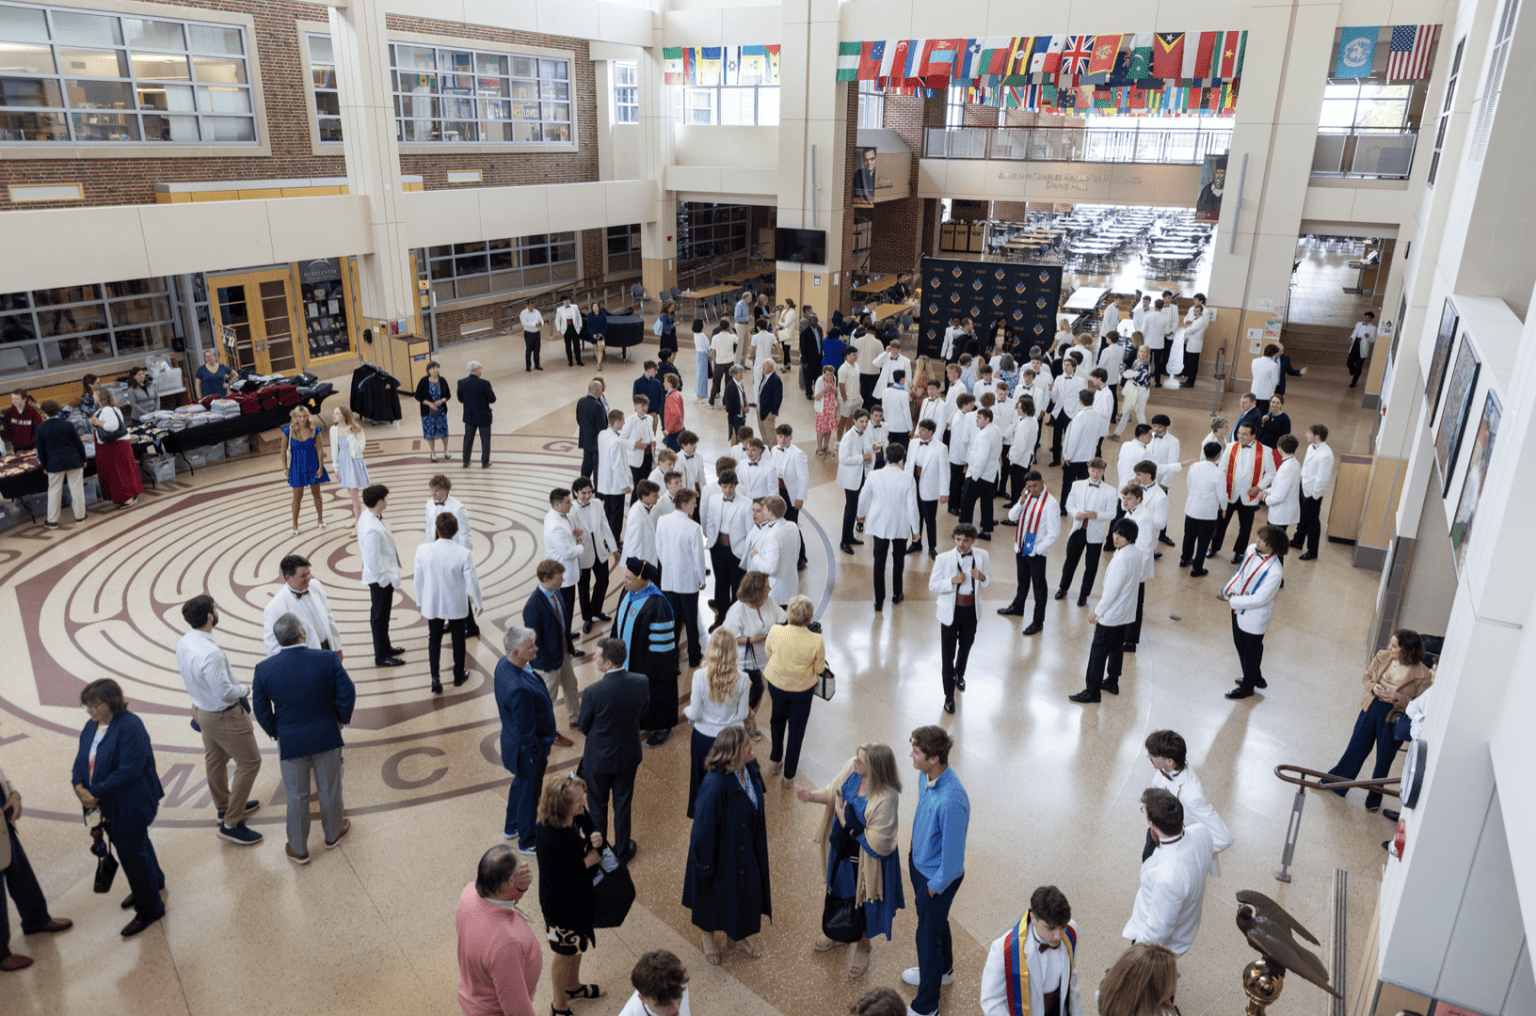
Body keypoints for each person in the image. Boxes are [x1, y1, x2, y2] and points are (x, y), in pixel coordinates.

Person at [796, 743, 906, 979]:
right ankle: (839, 929)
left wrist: (845, 822)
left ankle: (863, 944)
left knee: (866, 900)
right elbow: (833, 791)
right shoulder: (852, 770)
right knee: (839, 888)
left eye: (861, 761)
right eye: (856, 758)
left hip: (869, 860)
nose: (854, 763)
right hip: (843, 849)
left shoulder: (887, 796)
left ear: (876, 769)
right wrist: (810, 797)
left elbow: (879, 843)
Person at [253, 614, 356, 864]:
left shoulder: (264, 669)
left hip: (291, 742)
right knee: (330, 788)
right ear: (302, 633)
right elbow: (347, 692)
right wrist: (340, 719)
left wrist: (277, 731)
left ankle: (299, 849)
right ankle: (333, 834)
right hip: (326, 735)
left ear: (278, 640)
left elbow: (260, 709)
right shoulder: (327, 659)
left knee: (296, 795)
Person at [70, 679, 165, 936]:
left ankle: (150, 908)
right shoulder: (91, 727)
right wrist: (78, 785)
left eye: (94, 706)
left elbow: (129, 771)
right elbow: (81, 761)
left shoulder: (131, 726)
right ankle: (153, 881)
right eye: (86, 706)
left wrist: (95, 792)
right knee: (137, 845)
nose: (89, 711)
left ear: (111, 702)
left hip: (129, 802)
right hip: (106, 802)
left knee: (131, 854)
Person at [175, 594, 262, 845]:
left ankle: (224, 806)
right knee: (250, 763)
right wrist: (244, 690)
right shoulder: (211, 654)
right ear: (210, 616)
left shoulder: (184, 642)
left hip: (201, 710)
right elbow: (224, 692)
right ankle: (231, 823)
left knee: (216, 759)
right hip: (223, 715)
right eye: (215, 607)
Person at [683, 725, 770, 964]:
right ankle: (708, 934)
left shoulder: (749, 767)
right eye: (746, 744)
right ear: (733, 752)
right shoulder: (714, 785)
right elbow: (702, 830)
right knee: (713, 894)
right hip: (719, 852)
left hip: (743, 845)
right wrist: (705, 866)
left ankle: (737, 933)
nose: (753, 745)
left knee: (740, 891)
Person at [1324, 630, 1436, 811]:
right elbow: (1366, 678)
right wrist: (1373, 688)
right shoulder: (1383, 656)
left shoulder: (1423, 674)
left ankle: (1374, 798)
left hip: (1394, 715)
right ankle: (1337, 783)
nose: (1389, 648)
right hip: (1372, 705)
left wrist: (1398, 696)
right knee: (1356, 748)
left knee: (1384, 760)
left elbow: (1419, 704)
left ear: (1407, 651)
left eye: (1394, 646)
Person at [904, 725, 970, 1016]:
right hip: (921, 866)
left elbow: (953, 862)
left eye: (916, 752)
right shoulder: (925, 775)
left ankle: (927, 1006)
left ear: (934, 758)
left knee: (926, 938)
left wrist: (930, 889)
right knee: (936, 923)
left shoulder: (953, 800)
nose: (911, 755)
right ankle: (945, 972)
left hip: (936, 879)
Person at [533, 776, 604, 1014]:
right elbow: (557, 881)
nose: (583, 804)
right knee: (564, 953)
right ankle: (559, 1004)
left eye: (582, 798)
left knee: (577, 944)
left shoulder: (574, 815)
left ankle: (573, 987)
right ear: (561, 805)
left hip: (579, 899)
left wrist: (595, 834)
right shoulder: (548, 835)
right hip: (560, 906)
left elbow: (588, 820)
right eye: (578, 801)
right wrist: (587, 862)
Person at [0, 750, 74, 970]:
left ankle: (37, 919)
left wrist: (13, 794)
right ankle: (1, 954)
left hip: (3, 826)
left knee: (21, 873)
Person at [1122, 789, 1214, 956]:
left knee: (1142, 978)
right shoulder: (1202, 831)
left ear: (1153, 825)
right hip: (1187, 921)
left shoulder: (1167, 877)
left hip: (1159, 944)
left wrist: (1133, 957)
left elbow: (1157, 932)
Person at [456, 845, 541, 1016]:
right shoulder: (505, 944)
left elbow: (501, 903)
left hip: (472, 1000)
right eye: (519, 867)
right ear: (510, 880)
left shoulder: (469, 892)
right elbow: (516, 1008)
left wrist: (518, 890)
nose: (524, 866)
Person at [495, 626, 557, 849]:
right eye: (530, 646)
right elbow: (526, 729)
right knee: (530, 794)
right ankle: (528, 840)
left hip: (512, 744)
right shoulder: (519, 688)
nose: (536, 649)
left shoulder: (503, 665)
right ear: (515, 653)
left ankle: (512, 825)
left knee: (519, 785)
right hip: (527, 750)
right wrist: (537, 752)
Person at [978, 886, 1083, 1016]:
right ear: (1033, 918)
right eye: (1050, 928)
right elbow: (991, 1000)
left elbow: (1071, 977)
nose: (1058, 936)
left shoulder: (1072, 931)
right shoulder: (1003, 949)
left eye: (1062, 927)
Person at [1069, 519, 1141, 704]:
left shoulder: (1121, 560)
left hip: (1112, 614)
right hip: (1125, 613)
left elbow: (1111, 592)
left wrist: (1097, 612)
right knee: (1116, 647)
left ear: (1130, 537)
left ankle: (1092, 691)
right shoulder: (1136, 553)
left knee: (1098, 653)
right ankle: (1112, 681)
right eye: (1116, 532)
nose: (1116, 537)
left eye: (1122, 535)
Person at [684, 628, 751, 817]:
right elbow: (742, 714)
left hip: (703, 738)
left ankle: (701, 812)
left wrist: (685, 710)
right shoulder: (743, 678)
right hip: (729, 740)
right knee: (727, 780)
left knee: (701, 779)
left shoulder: (699, 676)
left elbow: (695, 713)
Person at [612, 560, 679, 749]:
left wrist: (646, 668)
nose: (623, 581)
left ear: (641, 581)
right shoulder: (627, 593)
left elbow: (662, 645)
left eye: (628, 578)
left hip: (652, 665)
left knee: (656, 695)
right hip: (630, 660)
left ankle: (662, 729)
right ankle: (641, 722)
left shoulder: (657, 604)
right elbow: (619, 622)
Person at [1143, 730, 1233, 870]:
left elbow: (1224, 838)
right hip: (1156, 835)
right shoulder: (1165, 770)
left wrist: (1188, 851)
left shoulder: (1191, 796)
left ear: (1169, 761)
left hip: (1174, 848)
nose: (1148, 756)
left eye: (1153, 756)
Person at [416, 513, 483, 695]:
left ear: (437, 529)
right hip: (456, 603)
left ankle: (435, 678)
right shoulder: (464, 553)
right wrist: (478, 602)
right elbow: (472, 581)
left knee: (434, 639)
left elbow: (418, 578)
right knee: (458, 639)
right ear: (456, 531)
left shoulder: (423, 550)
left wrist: (420, 601)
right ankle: (458, 676)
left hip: (433, 602)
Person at [1221, 525, 1288, 700]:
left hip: (1254, 616)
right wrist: (1231, 589)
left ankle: (1247, 686)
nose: (1257, 540)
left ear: (1272, 546)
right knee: (1240, 645)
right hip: (1238, 606)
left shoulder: (1275, 571)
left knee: (1251, 651)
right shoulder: (1252, 549)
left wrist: (1234, 601)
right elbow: (1241, 574)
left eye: (1263, 539)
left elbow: (1260, 599)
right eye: (1259, 536)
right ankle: (1254, 676)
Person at [763, 595, 824, 784]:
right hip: (802, 690)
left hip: (777, 684)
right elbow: (819, 669)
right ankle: (789, 776)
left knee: (777, 721)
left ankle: (775, 761)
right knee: (796, 731)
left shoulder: (775, 631)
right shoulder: (816, 640)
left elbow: (768, 652)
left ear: (789, 613)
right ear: (809, 617)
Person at [931, 524, 990, 714]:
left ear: (973, 540)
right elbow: (933, 585)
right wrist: (951, 581)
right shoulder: (943, 559)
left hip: (971, 610)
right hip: (951, 611)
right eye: (957, 539)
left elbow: (988, 578)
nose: (961, 544)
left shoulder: (982, 556)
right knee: (947, 655)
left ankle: (960, 674)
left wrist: (982, 577)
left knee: (965, 647)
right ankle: (948, 696)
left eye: (965, 540)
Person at [859, 442, 921, 611]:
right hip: (900, 525)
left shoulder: (873, 475)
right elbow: (912, 507)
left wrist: (860, 514)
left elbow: (863, 497)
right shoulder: (908, 479)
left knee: (879, 562)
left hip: (879, 524)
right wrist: (915, 530)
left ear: (886, 456)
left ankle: (879, 600)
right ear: (901, 459)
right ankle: (897, 594)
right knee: (898, 560)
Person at [522, 561, 580, 742]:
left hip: (563, 654)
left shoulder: (556, 594)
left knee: (571, 686)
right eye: (559, 577)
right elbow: (534, 639)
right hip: (547, 662)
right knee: (547, 699)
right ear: (546, 579)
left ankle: (576, 720)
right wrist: (547, 663)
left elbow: (562, 625)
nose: (563, 580)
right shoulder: (533, 606)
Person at [999, 472, 1059, 637]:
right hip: (1022, 542)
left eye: (1035, 486)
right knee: (1022, 580)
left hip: (1035, 545)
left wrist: (1037, 550)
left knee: (1039, 586)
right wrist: (1021, 501)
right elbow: (1012, 516)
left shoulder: (1051, 504)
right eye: (1029, 486)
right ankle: (1018, 607)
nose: (1032, 489)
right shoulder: (1026, 498)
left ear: (1042, 483)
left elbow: (1054, 533)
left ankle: (1038, 621)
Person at [1212, 423, 1278, 563]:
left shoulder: (1265, 451)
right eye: (1239, 433)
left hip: (1249, 496)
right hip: (1230, 493)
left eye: (1244, 434)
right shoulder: (1231, 447)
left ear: (1254, 435)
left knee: (1245, 527)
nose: (1240, 436)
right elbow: (1222, 469)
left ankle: (1239, 552)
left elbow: (1271, 473)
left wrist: (1259, 487)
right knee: (1221, 523)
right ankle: (1214, 547)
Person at [658, 489, 707, 670]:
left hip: (668, 580)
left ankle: (673, 653)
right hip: (687, 581)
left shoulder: (663, 521)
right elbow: (698, 557)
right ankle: (694, 655)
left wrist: (669, 568)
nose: (695, 505)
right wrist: (702, 579)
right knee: (691, 619)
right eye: (694, 502)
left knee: (674, 619)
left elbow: (659, 547)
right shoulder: (693, 527)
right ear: (685, 504)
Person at [1056, 457, 1116, 605]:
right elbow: (1069, 504)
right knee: (1070, 561)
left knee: (1091, 566)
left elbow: (1112, 513)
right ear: (1088, 469)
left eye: (1099, 471)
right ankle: (1063, 587)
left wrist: (1098, 515)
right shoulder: (1077, 485)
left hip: (1095, 533)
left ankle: (1084, 595)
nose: (1095, 474)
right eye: (1093, 470)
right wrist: (1076, 513)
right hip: (1078, 529)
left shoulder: (1110, 491)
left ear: (1103, 472)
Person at [356, 484, 403, 668]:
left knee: (383, 617)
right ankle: (381, 656)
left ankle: (386, 647)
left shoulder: (368, 516)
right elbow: (373, 559)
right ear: (379, 501)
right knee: (380, 618)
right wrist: (385, 581)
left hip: (381, 577)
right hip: (380, 579)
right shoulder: (371, 528)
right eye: (385, 498)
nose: (387, 501)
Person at [261, 553, 343, 657]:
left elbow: (329, 618)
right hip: (304, 661)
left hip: (328, 651)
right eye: (303, 576)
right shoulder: (274, 607)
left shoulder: (316, 585)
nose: (309, 578)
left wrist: (338, 648)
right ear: (288, 578)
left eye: (309, 573)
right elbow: (273, 649)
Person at [571, 477, 620, 633]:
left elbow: (605, 526)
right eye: (583, 493)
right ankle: (587, 618)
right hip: (582, 554)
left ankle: (596, 610)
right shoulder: (571, 509)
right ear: (575, 493)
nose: (587, 496)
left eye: (589, 492)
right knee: (583, 588)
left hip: (599, 551)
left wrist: (613, 548)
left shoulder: (597, 504)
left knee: (603, 581)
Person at [542, 487, 583, 654]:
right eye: (568, 502)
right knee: (564, 613)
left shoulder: (555, 516)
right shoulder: (556, 525)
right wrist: (580, 546)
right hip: (563, 575)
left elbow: (564, 542)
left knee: (565, 612)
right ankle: (568, 648)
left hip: (563, 572)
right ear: (557, 504)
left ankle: (565, 635)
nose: (571, 504)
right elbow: (567, 553)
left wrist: (572, 535)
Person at [34, 400, 87, 529]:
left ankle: (52, 521)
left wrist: (44, 466)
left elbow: (41, 450)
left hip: (54, 462)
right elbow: (78, 443)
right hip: (73, 459)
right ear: (58, 411)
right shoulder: (67, 425)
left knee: (54, 491)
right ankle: (80, 516)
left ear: (44, 413)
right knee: (77, 489)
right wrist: (83, 459)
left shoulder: (40, 428)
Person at [90, 389, 141, 509]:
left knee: (120, 472)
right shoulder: (108, 408)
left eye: (95, 394)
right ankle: (124, 496)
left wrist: (97, 422)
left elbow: (113, 426)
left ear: (101, 396)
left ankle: (128, 497)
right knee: (120, 471)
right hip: (114, 445)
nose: (93, 396)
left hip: (115, 445)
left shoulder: (107, 409)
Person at [1179, 442, 1224, 576]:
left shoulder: (1194, 466)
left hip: (1192, 508)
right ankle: (1197, 568)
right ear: (1218, 455)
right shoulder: (1218, 473)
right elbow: (1222, 495)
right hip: (1207, 513)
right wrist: (1224, 507)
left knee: (1189, 536)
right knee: (1203, 542)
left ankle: (1184, 559)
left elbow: (1189, 484)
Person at [281, 405, 329, 533]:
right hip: (296, 466)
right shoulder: (288, 431)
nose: (302, 419)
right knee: (297, 496)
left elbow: (320, 450)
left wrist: (320, 467)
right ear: (295, 418)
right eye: (299, 416)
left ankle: (320, 519)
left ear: (308, 417)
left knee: (316, 494)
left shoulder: (315, 430)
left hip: (313, 465)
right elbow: (282, 451)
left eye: (304, 416)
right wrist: (285, 468)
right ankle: (295, 524)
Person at [1096, 943, 1179, 1016]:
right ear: (1152, 987)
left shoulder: (1102, 995)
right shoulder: (1166, 1013)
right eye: (1171, 976)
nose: (1178, 976)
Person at [1294, 423, 1334, 560]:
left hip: (1312, 493)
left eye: (1309, 433)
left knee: (1312, 523)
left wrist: (1314, 495)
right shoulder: (1311, 447)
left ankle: (1312, 551)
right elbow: (1306, 467)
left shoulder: (1326, 455)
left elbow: (1323, 478)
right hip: (1304, 486)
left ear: (1316, 436)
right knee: (1302, 517)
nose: (1306, 434)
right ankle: (1298, 541)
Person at [838, 409, 874, 553]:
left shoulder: (862, 434)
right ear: (854, 421)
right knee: (850, 510)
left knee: (854, 509)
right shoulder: (849, 436)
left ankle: (850, 536)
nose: (865, 424)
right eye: (862, 421)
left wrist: (866, 459)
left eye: (866, 421)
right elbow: (843, 459)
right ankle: (844, 541)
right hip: (851, 479)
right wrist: (862, 458)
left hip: (859, 476)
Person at [618, 951, 690, 1016]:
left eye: (678, 996)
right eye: (665, 1003)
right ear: (642, 998)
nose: (677, 1009)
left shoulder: (678, 980)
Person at [1260, 434, 1302, 541]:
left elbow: (1279, 496)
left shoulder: (1287, 468)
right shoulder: (1294, 462)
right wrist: (1267, 491)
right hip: (1283, 512)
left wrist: (1264, 498)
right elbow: (1279, 486)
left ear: (1280, 448)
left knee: (1274, 545)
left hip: (1280, 514)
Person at [329, 406, 370, 517]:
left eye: (337, 413)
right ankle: (357, 519)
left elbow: (360, 449)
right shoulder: (333, 430)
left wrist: (350, 435)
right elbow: (334, 450)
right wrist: (335, 468)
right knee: (351, 494)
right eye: (334, 413)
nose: (334, 416)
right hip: (343, 463)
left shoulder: (357, 430)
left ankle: (358, 523)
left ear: (345, 415)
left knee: (354, 495)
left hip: (354, 463)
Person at [458, 361, 496, 469]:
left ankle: (465, 461)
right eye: (480, 368)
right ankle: (485, 462)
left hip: (469, 416)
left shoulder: (461, 382)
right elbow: (492, 399)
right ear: (477, 370)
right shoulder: (484, 383)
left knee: (468, 439)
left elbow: (460, 398)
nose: (481, 370)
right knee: (485, 440)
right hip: (483, 416)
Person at [414, 360, 452, 462]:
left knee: (444, 431)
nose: (437, 370)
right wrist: (430, 404)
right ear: (429, 370)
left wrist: (442, 400)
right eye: (434, 368)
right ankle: (433, 453)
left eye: (438, 367)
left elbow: (448, 395)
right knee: (430, 432)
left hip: (441, 411)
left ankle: (446, 450)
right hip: (428, 412)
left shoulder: (442, 380)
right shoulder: (423, 381)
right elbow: (417, 396)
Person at [1112, 346, 1151, 437]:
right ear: (1138, 352)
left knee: (1139, 413)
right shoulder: (1136, 361)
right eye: (1141, 351)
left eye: (1145, 352)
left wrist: (1128, 375)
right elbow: (1133, 374)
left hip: (1142, 391)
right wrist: (1129, 375)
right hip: (1134, 389)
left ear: (1147, 354)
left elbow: (1141, 379)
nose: (1142, 354)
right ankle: (1117, 434)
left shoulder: (1146, 366)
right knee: (1126, 412)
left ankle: (1146, 435)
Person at [1179, 295, 1208, 386]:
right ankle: (1188, 381)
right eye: (1194, 311)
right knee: (1190, 363)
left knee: (1193, 365)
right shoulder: (1196, 319)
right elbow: (1188, 324)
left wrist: (1186, 332)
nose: (1195, 312)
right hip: (1191, 342)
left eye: (1197, 311)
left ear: (1201, 312)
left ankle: (1190, 382)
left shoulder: (1200, 320)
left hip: (1195, 344)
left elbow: (1190, 330)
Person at [555, 294, 586, 367]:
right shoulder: (559, 310)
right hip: (566, 329)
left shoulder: (575, 307)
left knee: (577, 345)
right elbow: (557, 320)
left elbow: (579, 316)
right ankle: (570, 361)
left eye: (568, 299)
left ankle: (579, 360)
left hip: (574, 328)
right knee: (568, 345)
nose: (567, 301)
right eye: (565, 300)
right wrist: (559, 329)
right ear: (562, 301)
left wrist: (580, 325)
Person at [1346, 311, 1375, 387]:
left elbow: (1373, 340)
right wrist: (1351, 338)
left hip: (1363, 349)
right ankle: (1354, 371)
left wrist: (1367, 336)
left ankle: (1354, 382)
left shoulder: (1373, 328)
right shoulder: (1358, 324)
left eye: (1368, 318)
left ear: (1371, 319)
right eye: (1365, 317)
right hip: (1355, 345)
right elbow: (1354, 333)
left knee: (1358, 366)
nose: (1366, 319)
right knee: (1349, 363)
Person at [519, 299, 545, 371]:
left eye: (533, 306)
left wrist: (541, 324)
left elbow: (541, 320)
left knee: (537, 349)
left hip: (537, 333)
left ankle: (537, 365)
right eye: (530, 306)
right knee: (529, 349)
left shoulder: (537, 312)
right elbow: (524, 323)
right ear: (527, 306)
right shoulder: (523, 313)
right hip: (529, 333)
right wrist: (534, 325)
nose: (532, 308)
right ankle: (528, 366)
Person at [587, 301, 609, 373]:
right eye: (593, 307)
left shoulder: (603, 314)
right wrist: (593, 334)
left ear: (599, 307)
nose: (595, 308)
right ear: (592, 308)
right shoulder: (589, 315)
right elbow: (589, 326)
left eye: (596, 307)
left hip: (601, 335)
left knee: (600, 349)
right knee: (595, 349)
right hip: (593, 335)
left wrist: (601, 334)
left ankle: (599, 364)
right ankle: (598, 362)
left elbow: (605, 326)